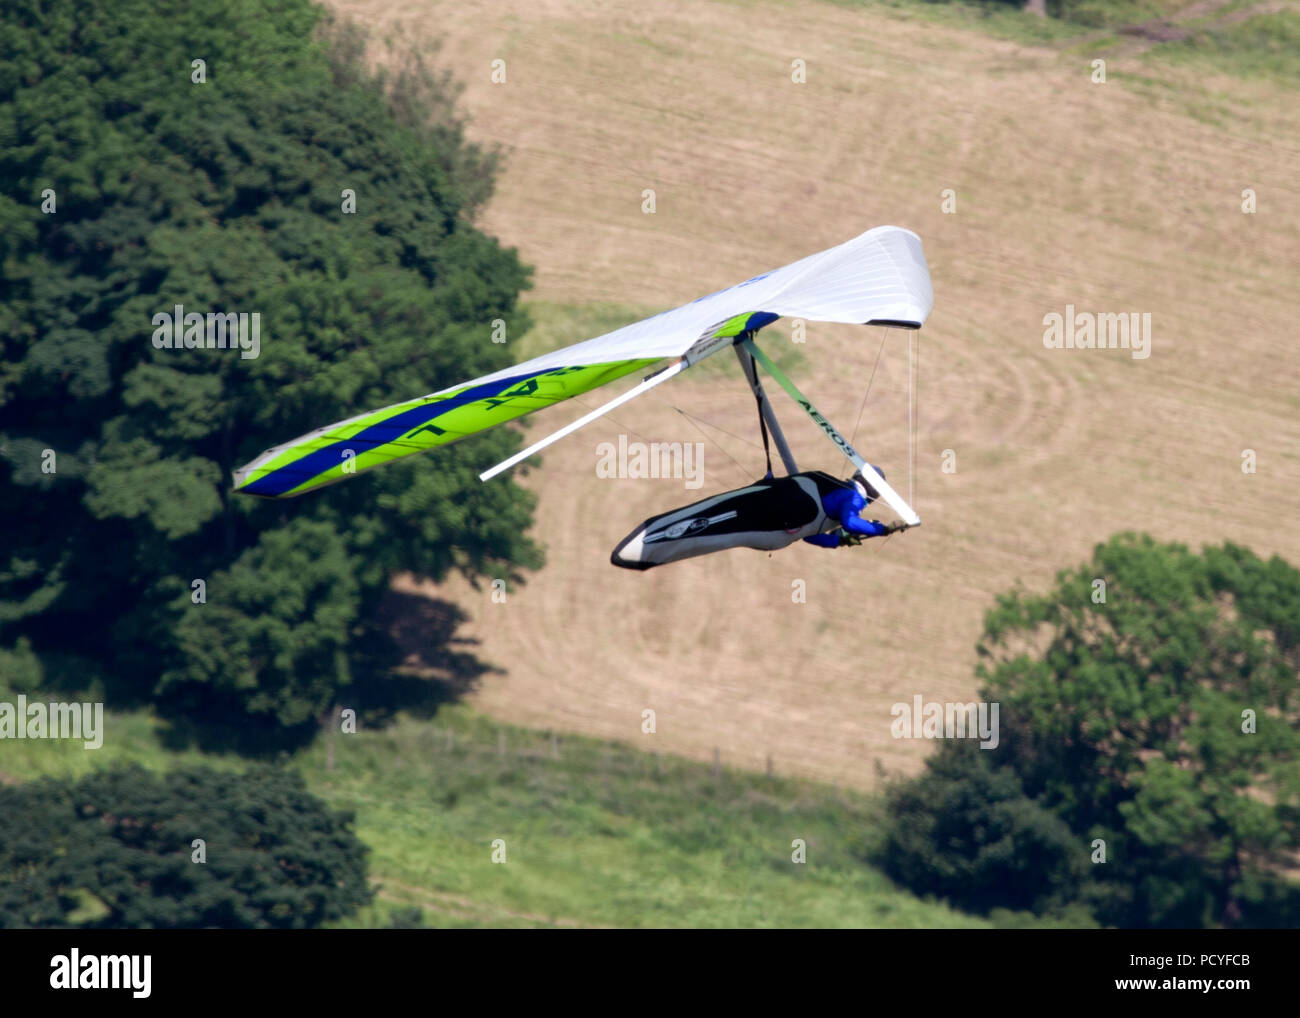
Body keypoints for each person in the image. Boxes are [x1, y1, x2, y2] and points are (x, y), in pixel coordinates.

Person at [610, 464, 905, 569]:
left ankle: (659, 534)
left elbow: (812, 535)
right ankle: (659, 544)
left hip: (778, 505)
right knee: (726, 528)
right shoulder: (851, 498)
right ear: (872, 495)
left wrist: (837, 541)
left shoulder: (828, 480)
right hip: (774, 531)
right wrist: (879, 529)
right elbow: (851, 522)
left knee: (725, 511)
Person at [802, 467, 902, 549]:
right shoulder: (854, 496)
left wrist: (838, 540)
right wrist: (883, 529)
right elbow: (850, 522)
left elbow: (806, 534)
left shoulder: (841, 488)